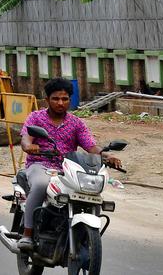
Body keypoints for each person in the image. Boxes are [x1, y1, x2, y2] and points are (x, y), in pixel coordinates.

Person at [16, 77, 123, 252]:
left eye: (65, 99)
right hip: (40, 165)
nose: (60, 103)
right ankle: (28, 234)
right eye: (56, 99)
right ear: (47, 100)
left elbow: (91, 146)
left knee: (86, 192)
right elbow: (26, 140)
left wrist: (106, 155)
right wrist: (30, 147)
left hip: (67, 169)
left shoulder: (76, 123)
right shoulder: (35, 118)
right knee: (41, 184)